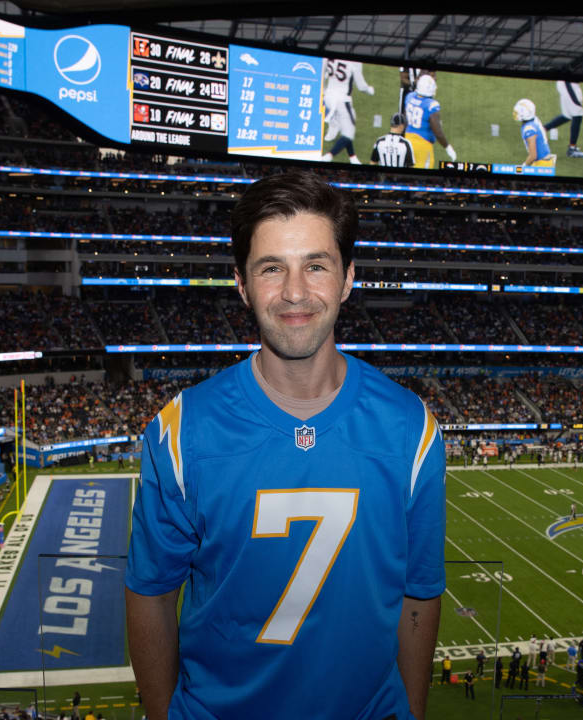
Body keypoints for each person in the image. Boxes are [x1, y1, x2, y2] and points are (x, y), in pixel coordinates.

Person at [125, 172, 446, 720]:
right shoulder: (181, 433)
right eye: (272, 268)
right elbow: (150, 595)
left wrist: (411, 711)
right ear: (243, 284)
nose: (295, 292)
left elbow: (419, 597)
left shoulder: (412, 430)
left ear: (347, 279)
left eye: (316, 266)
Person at [320, 58, 375, 164]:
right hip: (342, 100)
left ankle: (352, 157)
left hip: (328, 97)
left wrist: (323, 91)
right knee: (349, 133)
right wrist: (370, 90)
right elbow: (361, 86)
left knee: (346, 128)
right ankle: (328, 156)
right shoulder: (355, 62)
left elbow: (322, 73)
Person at [403, 75, 455, 169]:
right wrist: (448, 147)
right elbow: (438, 132)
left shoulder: (409, 97)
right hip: (423, 145)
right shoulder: (431, 105)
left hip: (407, 140)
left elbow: (405, 118)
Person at [542, 81, 583, 158]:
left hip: (566, 84)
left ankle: (542, 129)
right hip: (569, 85)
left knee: (567, 115)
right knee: (577, 115)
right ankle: (572, 149)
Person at [512, 98, 557, 168]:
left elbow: (533, 156)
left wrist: (522, 167)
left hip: (542, 164)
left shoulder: (529, 129)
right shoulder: (535, 120)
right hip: (545, 160)